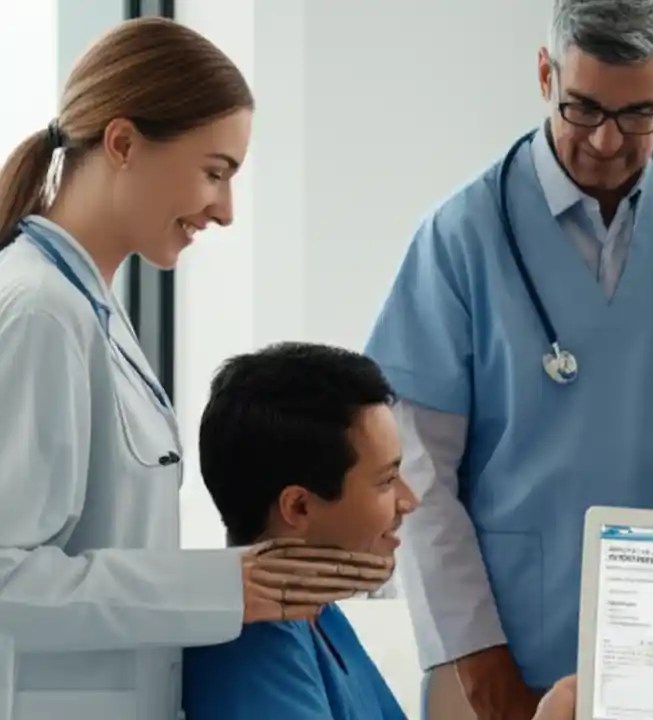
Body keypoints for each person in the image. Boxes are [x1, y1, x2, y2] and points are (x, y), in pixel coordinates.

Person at [363, 0, 653, 716]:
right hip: (501, 653)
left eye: (637, 116)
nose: (604, 140)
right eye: (583, 107)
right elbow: (420, 476)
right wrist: (485, 672)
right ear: (545, 74)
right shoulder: (462, 236)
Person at [0, 18, 391, 720]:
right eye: (215, 172)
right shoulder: (41, 313)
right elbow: (4, 580)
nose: (226, 209)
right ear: (122, 144)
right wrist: (225, 588)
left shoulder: (88, 309)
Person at [183, 342, 418, 719]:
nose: (409, 500)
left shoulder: (318, 615)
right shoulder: (252, 648)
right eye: (387, 481)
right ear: (299, 506)